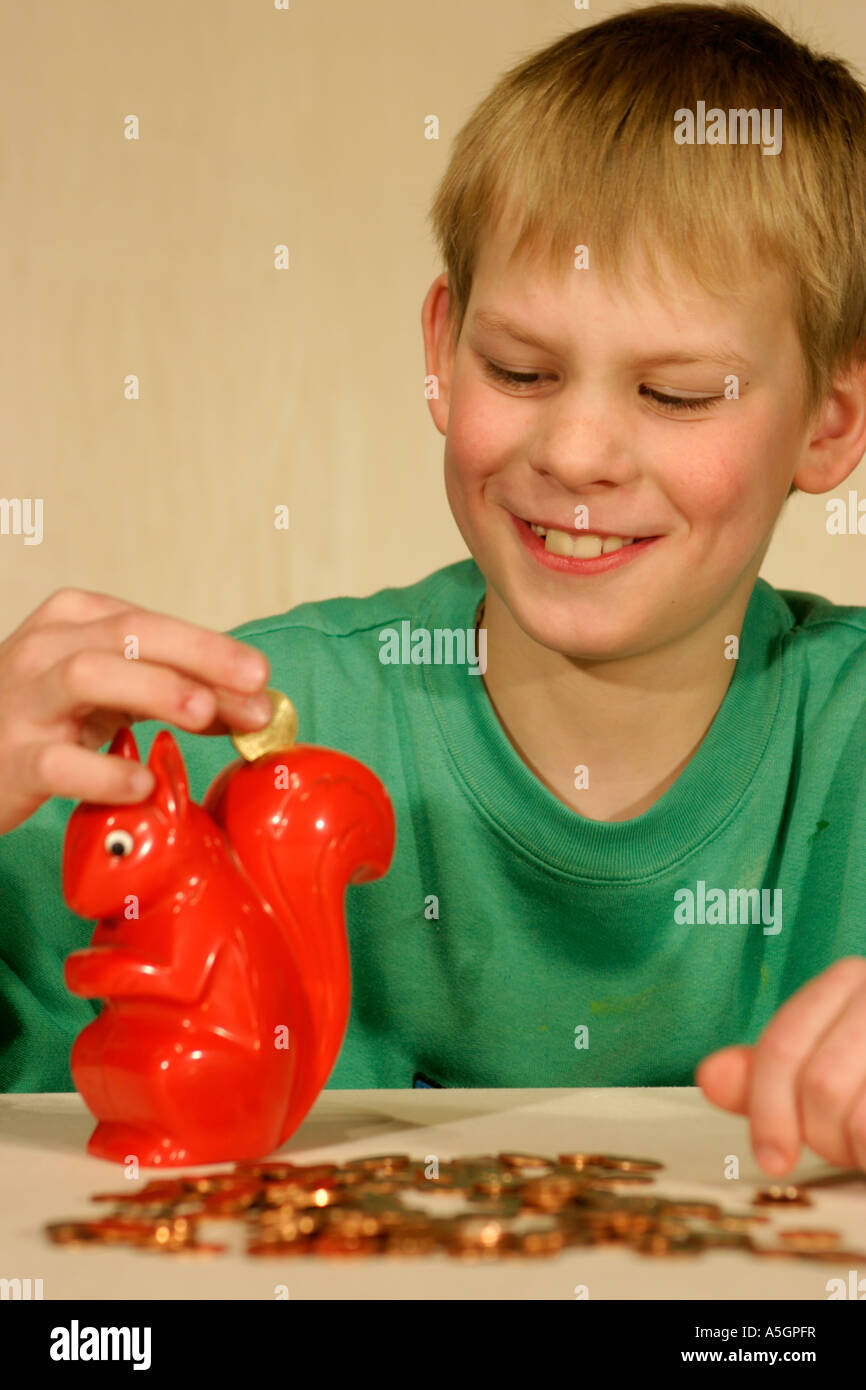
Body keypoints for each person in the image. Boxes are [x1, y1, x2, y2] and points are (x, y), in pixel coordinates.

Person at [2, 2, 866, 1180]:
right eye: (520, 369)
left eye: (673, 394)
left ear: (829, 421)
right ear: (442, 352)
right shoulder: (218, 742)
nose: (575, 451)